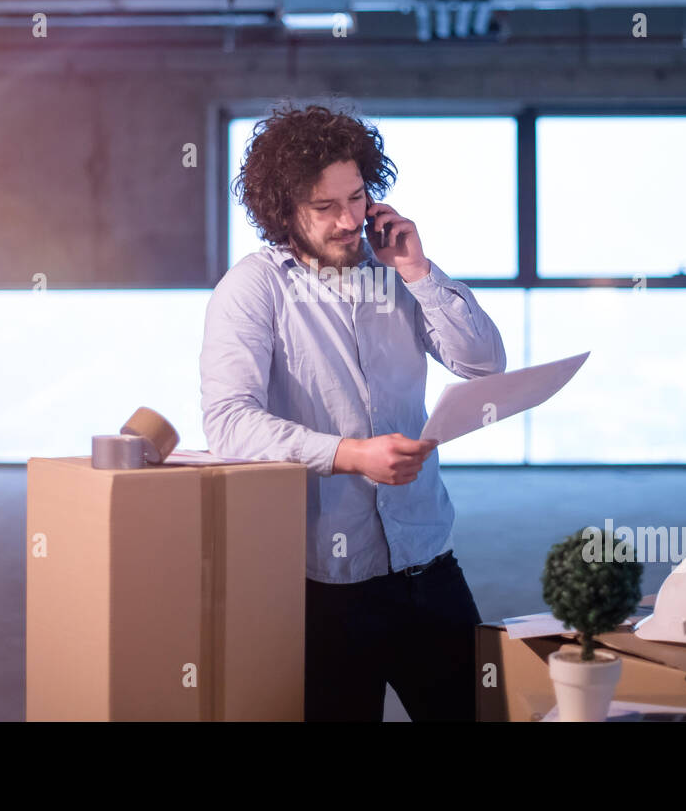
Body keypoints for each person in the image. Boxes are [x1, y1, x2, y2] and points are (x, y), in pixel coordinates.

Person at [199, 101, 506, 721]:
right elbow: (228, 420)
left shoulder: (397, 273)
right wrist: (350, 455)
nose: (348, 220)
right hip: (327, 585)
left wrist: (418, 270)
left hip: (428, 562)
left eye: (358, 197)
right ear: (283, 210)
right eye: (324, 206)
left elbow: (483, 365)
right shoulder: (255, 287)